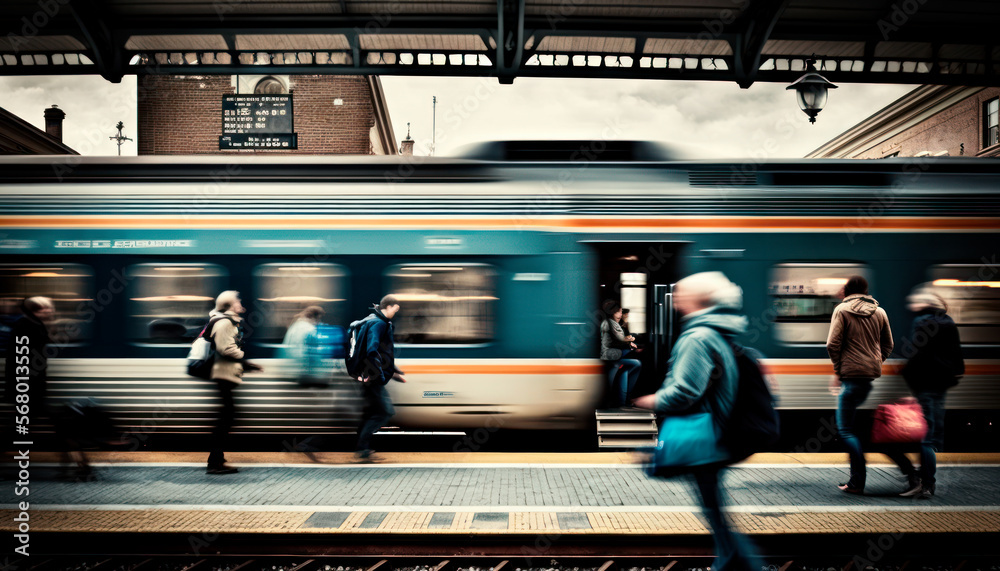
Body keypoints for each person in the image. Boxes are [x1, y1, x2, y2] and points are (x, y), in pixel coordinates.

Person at [633, 272, 761, 571]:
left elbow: (685, 392)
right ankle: (730, 561)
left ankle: (739, 563)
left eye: (681, 293)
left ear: (697, 299)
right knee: (714, 506)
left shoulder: (697, 336)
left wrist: (651, 400)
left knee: (713, 507)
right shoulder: (717, 332)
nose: (675, 298)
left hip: (707, 433)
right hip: (716, 430)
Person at [3, 297, 93, 480]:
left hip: (30, 389)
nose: (51, 312)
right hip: (27, 390)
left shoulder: (32, 325)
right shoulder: (26, 327)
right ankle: (79, 465)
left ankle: (76, 465)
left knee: (31, 428)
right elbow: (20, 360)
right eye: (47, 309)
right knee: (37, 428)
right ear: (38, 311)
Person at [885, 291, 964, 499]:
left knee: (925, 437)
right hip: (942, 383)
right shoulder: (948, 321)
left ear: (924, 304)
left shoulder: (921, 321)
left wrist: (906, 376)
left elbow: (917, 353)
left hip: (925, 383)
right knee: (932, 433)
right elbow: (957, 353)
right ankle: (926, 480)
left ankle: (926, 484)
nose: (912, 305)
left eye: (915, 301)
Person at [826, 275, 893, 495]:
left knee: (845, 431)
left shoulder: (842, 310)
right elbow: (888, 344)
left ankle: (857, 482)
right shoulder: (880, 312)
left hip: (849, 376)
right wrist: (875, 362)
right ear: (865, 290)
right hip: (868, 378)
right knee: (853, 429)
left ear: (848, 290)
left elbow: (832, 344)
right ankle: (858, 479)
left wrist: (838, 368)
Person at [206, 290, 263, 475]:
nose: (240, 302)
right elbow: (226, 349)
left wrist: (247, 365)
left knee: (226, 418)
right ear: (230, 305)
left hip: (226, 375)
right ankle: (215, 462)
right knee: (226, 419)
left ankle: (217, 459)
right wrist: (244, 356)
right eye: (237, 300)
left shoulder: (227, 321)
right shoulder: (224, 323)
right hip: (224, 376)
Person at [352, 295, 407, 461]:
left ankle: (362, 449)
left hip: (371, 375)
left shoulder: (379, 321)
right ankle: (362, 449)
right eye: (395, 310)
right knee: (385, 412)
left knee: (370, 412)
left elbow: (384, 353)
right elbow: (372, 350)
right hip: (372, 377)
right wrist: (380, 375)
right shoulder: (378, 323)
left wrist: (395, 371)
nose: (395, 313)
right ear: (388, 307)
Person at [600, 301, 640, 408]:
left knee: (633, 365)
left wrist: (628, 341)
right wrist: (629, 341)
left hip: (613, 354)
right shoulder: (610, 323)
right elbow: (619, 339)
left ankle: (624, 400)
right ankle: (622, 401)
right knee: (631, 365)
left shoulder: (613, 323)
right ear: (612, 312)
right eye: (619, 311)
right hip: (610, 355)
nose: (621, 314)